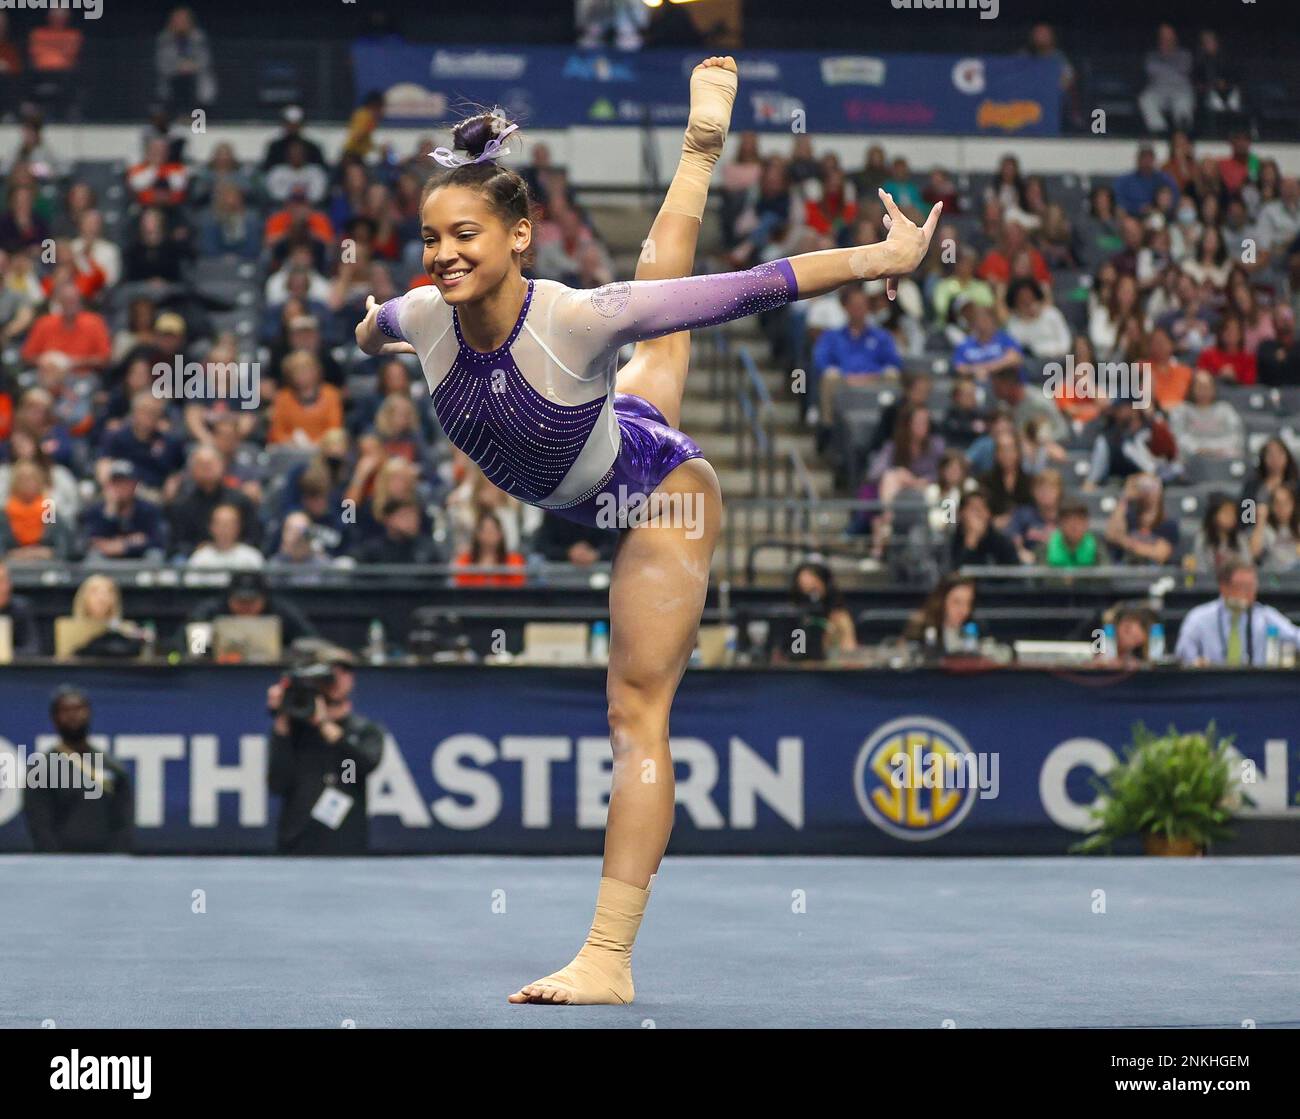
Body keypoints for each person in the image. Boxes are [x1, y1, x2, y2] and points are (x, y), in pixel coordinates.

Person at [353, 61, 941, 1006]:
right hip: (604, 439)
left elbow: (750, 289)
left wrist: (882, 260)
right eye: (429, 238)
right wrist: (368, 327)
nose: (442, 254)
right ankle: (697, 148)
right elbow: (377, 324)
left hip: (656, 489)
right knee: (657, 362)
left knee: (635, 711)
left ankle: (608, 957)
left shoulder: (578, 320)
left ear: (519, 235)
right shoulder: (423, 314)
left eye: (464, 235)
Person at [266, 644, 384, 855]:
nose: (335, 680)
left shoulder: (362, 730)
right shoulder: (295, 732)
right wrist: (282, 719)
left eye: (343, 672)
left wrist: (325, 726)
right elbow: (278, 783)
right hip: (297, 841)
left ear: (351, 679)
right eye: (329, 673)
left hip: (345, 842)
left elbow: (353, 774)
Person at [25, 687, 134, 853]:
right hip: (59, 866)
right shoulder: (42, 769)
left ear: (89, 713)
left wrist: (117, 858)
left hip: (108, 866)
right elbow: (40, 825)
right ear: (55, 718)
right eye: (66, 710)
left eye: (78, 709)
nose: (73, 716)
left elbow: (123, 821)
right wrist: (54, 862)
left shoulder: (112, 767)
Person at [1175, 558, 1300, 665]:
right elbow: (1182, 657)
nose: (1250, 593)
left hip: (1257, 687)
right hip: (1211, 687)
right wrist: (1195, 662)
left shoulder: (1266, 616)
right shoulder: (1199, 618)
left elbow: (1296, 637)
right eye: (1244, 586)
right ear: (1224, 587)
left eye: (1253, 586)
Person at [769, 560, 857, 663]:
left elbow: (849, 652)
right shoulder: (792, 619)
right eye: (803, 590)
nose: (810, 597)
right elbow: (786, 655)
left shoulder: (839, 618)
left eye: (814, 590)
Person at [902, 575, 976, 653]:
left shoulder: (973, 627)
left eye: (969, 603)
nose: (965, 610)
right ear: (941, 601)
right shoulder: (920, 627)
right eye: (956, 602)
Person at [0, 559, 39, 655]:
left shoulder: (21, 608)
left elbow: (33, 649)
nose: (4, 588)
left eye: (6, 581)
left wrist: (6, 653)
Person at [1045, 500, 1100, 568]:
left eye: (1079, 521)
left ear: (1086, 524)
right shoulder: (1046, 546)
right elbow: (1039, 576)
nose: (1074, 526)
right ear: (1060, 524)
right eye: (1068, 521)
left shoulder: (1097, 546)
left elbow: (1106, 575)